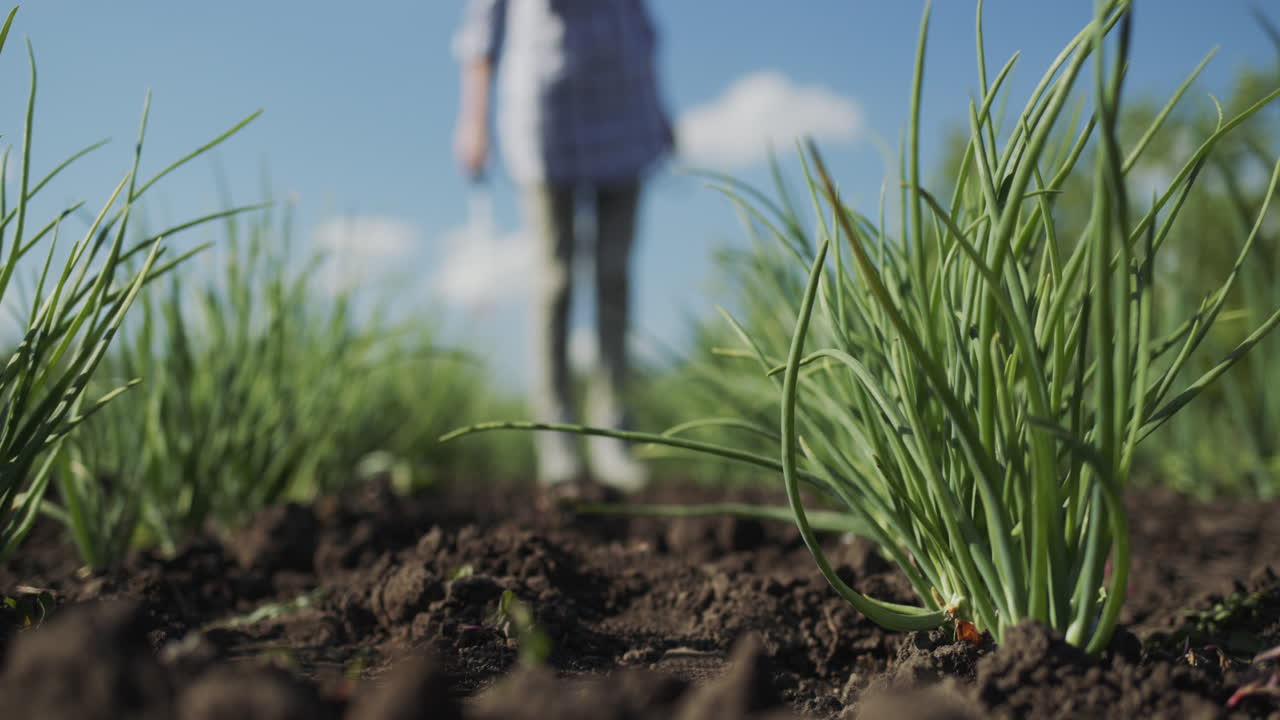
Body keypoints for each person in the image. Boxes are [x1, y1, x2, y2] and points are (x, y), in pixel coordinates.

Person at [452, 0, 673, 491]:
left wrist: (661, 109)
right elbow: (480, 33)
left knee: (615, 276)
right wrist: (473, 119)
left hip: (626, 105)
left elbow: (639, 22)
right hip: (548, 107)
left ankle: (614, 433)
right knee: (554, 280)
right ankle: (555, 435)